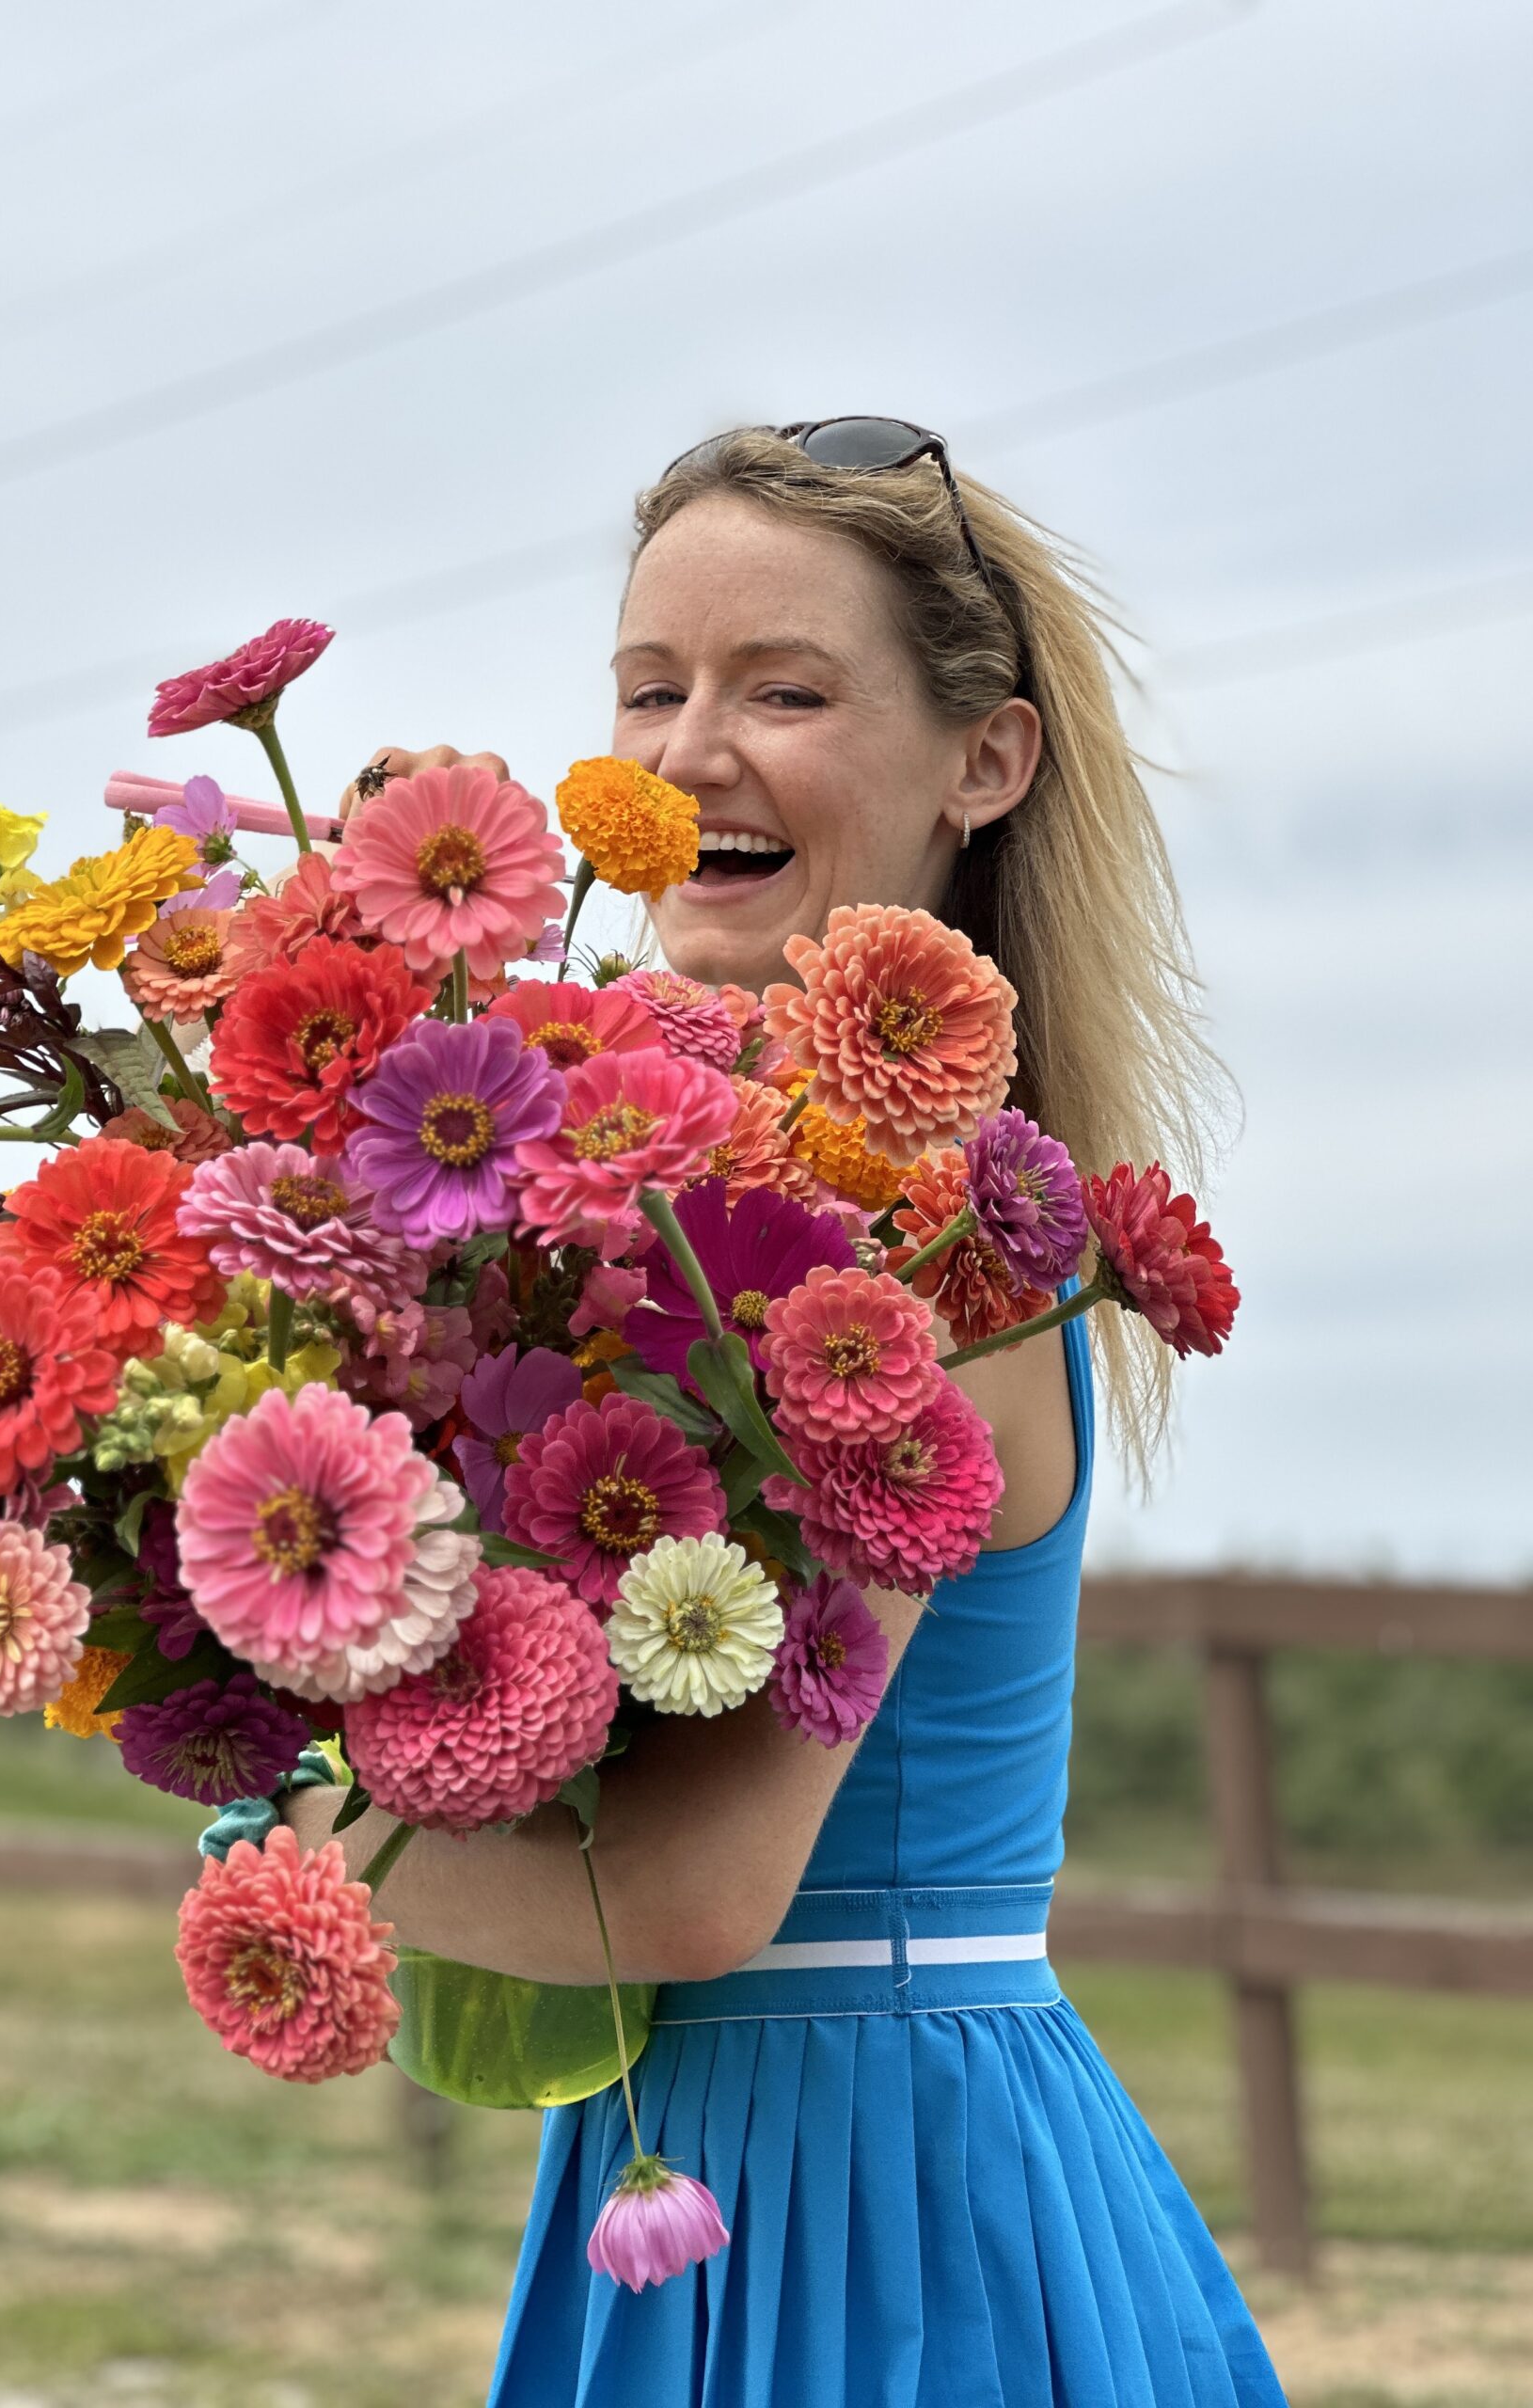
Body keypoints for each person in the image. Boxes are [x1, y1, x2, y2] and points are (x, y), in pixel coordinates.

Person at [289, 421, 1288, 2405]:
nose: (684, 752)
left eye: (786, 690)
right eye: (649, 686)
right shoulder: (700, 1203)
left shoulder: (931, 1245)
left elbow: (689, 1889)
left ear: (983, 764)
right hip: (714, 2152)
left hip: (883, 2197)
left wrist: (279, 1814)